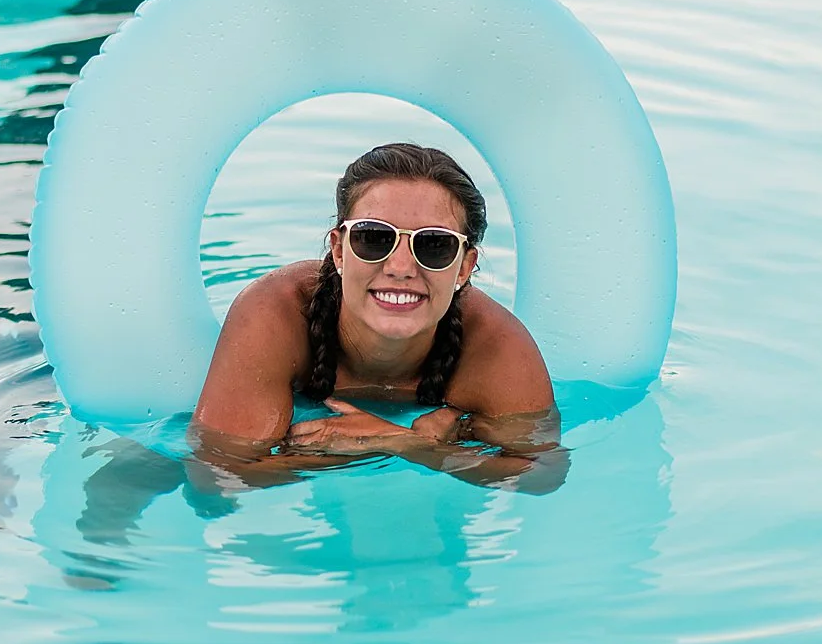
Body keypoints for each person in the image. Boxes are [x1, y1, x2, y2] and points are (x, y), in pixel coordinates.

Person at [189, 142, 565, 491]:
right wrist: (367, 448)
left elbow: (543, 474)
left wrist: (402, 442)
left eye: (434, 245)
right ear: (338, 251)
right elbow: (215, 475)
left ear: (464, 267)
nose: (400, 267)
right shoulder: (275, 314)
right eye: (373, 238)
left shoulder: (496, 349)